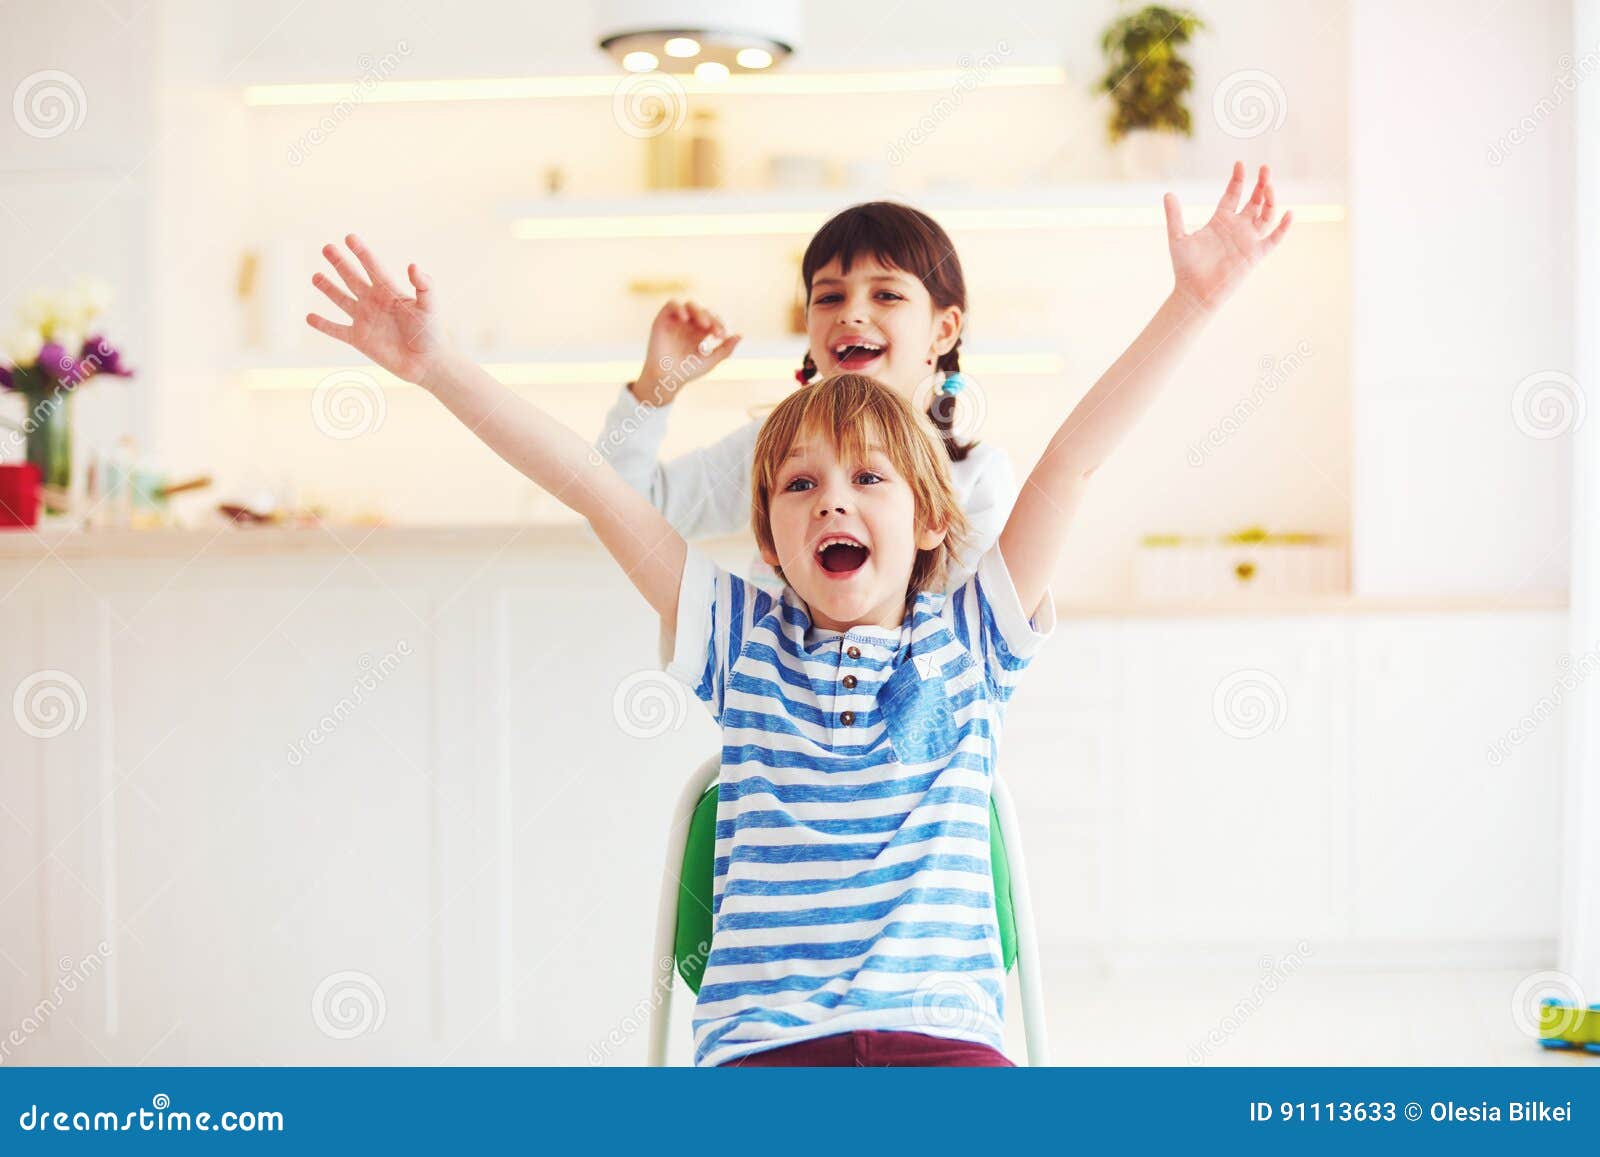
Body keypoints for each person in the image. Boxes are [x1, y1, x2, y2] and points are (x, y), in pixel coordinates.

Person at [304, 162, 1292, 1065]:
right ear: (768, 541)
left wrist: (1191, 304)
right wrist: (438, 368)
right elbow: (598, 489)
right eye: (800, 484)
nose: (832, 499)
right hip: (765, 1049)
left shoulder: (971, 636)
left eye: (868, 477)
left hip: (939, 1040)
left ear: (931, 514)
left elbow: (1071, 460)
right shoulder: (738, 640)